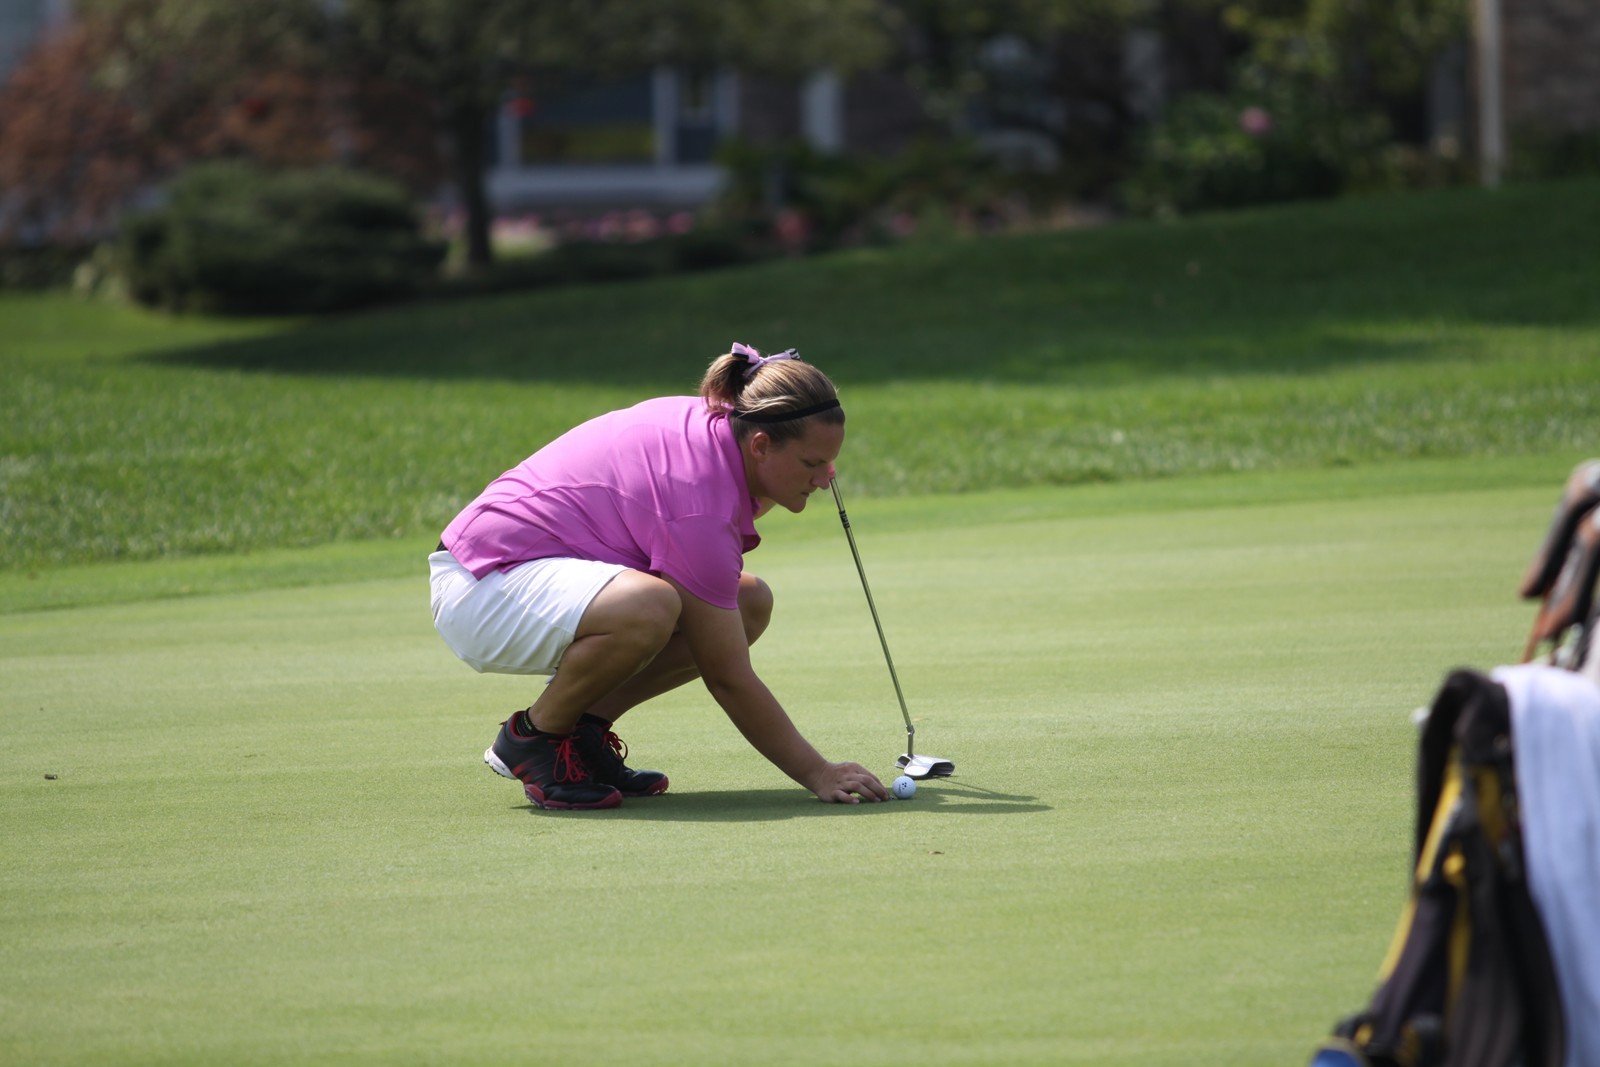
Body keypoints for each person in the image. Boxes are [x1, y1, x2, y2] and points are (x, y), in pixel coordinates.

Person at [428, 343, 890, 810]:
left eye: (830, 462)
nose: (826, 479)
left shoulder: (724, 431)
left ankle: (582, 731)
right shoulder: (698, 501)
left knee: (748, 603)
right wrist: (818, 772)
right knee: (650, 607)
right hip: (479, 586)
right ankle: (534, 736)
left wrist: (791, 481)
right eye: (811, 464)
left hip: (519, 576)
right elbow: (728, 677)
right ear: (761, 445)